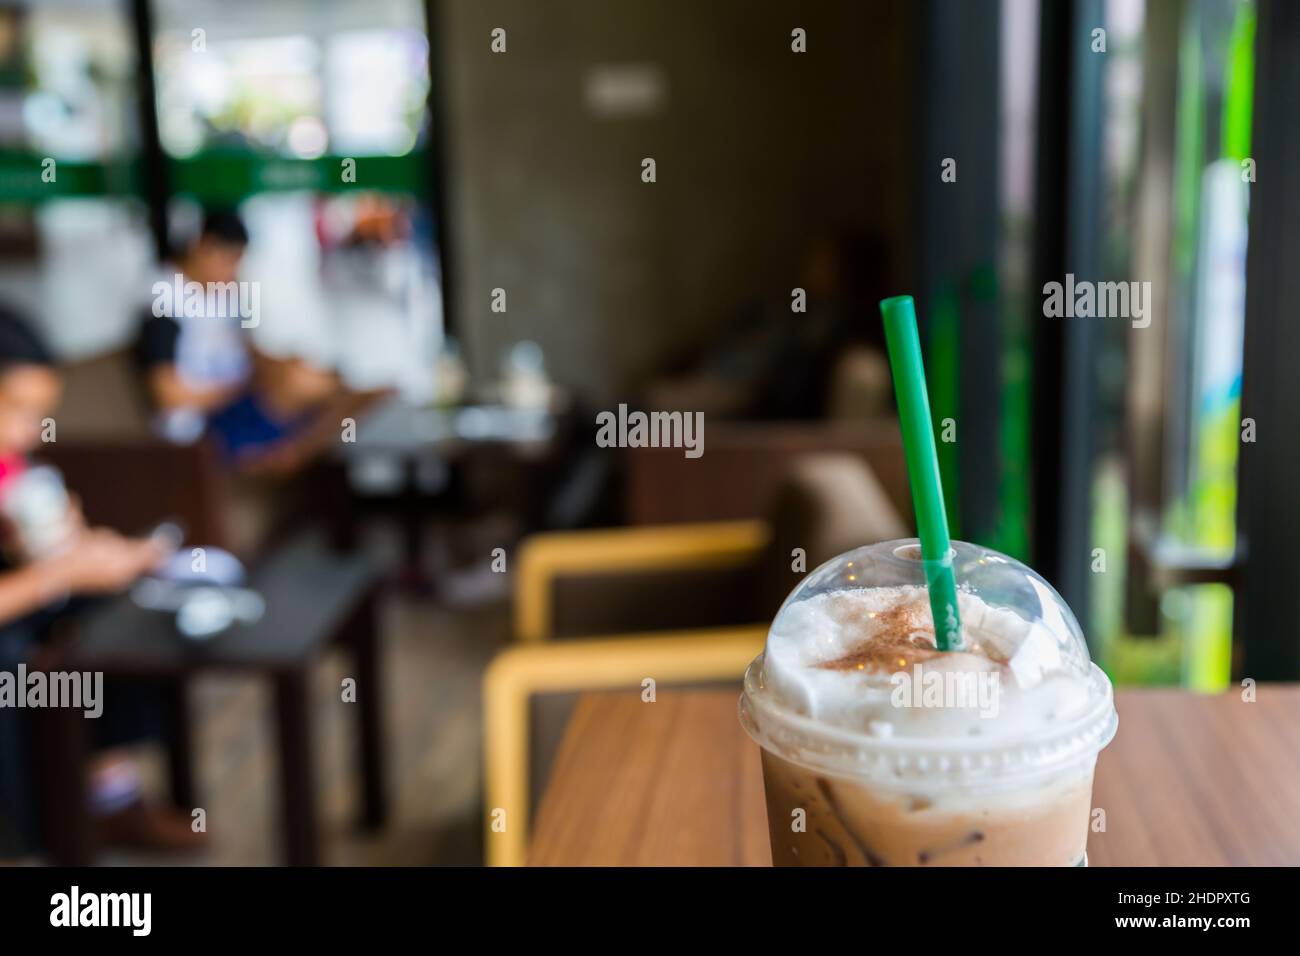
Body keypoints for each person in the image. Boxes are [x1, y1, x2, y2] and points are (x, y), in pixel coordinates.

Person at [0, 304, 202, 860]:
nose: (28, 432)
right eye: (16, 411)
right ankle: (33, 836)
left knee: (113, 611)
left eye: (38, 416)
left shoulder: (10, 467)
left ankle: (111, 796)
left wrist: (90, 550)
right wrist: (56, 571)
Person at [136, 209, 350, 472]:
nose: (232, 270)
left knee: (329, 383)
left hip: (239, 399)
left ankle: (296, 454)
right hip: (202, 426)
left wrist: (276, 365)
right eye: (227, 259)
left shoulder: (228, 292)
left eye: (237, 261)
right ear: (201, 247)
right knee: (302, 384)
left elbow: (246, 350)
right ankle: (288, 458)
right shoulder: (163, 296)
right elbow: (167, 393)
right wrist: (239, 388)